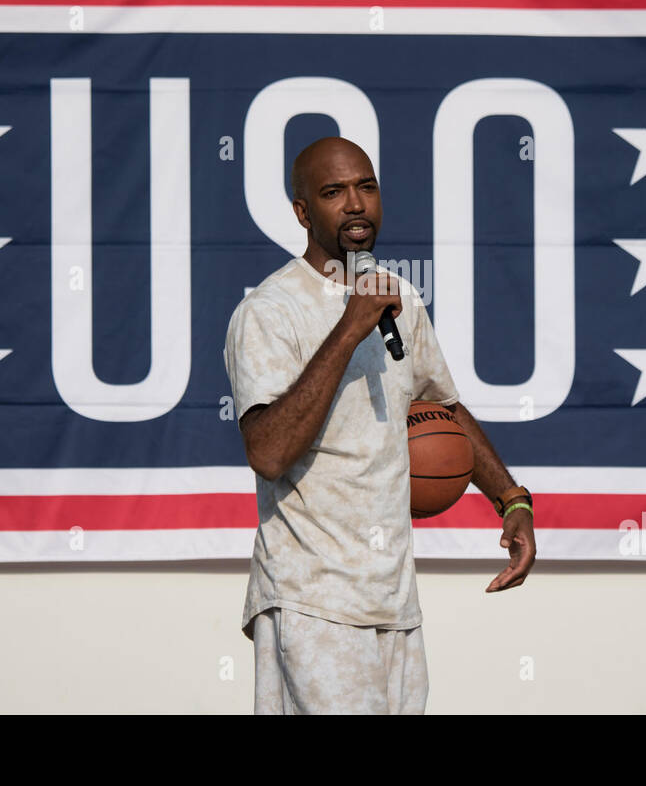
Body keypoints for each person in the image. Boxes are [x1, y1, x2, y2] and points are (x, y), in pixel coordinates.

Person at [223, 136, 537, 714]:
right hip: (312, 598)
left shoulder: (403, 301)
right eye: (333, 192)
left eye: (366, 187)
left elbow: (444, 409)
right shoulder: (269, 311)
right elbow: (266, 451)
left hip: (394, 600)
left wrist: (512, 501)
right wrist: (349, 328)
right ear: (302, 213)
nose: (355, 205)